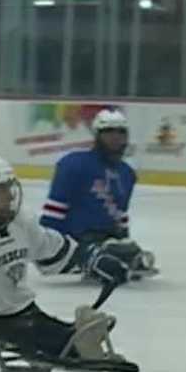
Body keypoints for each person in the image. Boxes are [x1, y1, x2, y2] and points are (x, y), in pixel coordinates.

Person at [0, 155, 138, 372]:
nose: (9, 196)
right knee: (65, 343)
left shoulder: (20, 223)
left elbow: (52, 248)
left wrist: (93, 259)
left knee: (62, 334)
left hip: (27, 311)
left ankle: (77, 341)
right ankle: (78, 344)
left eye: (9, 188)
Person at [38, 108, 157, 279]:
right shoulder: (73, 164)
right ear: (97, 135)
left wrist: (123, 240)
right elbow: (54, 211)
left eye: (120, 132)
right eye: (108, 132)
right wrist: (49, 249)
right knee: (111, 262)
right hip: (74, 240)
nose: (115, 137)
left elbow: (120, 215)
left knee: (129, 255)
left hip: (104, 239)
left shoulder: (127, 173)